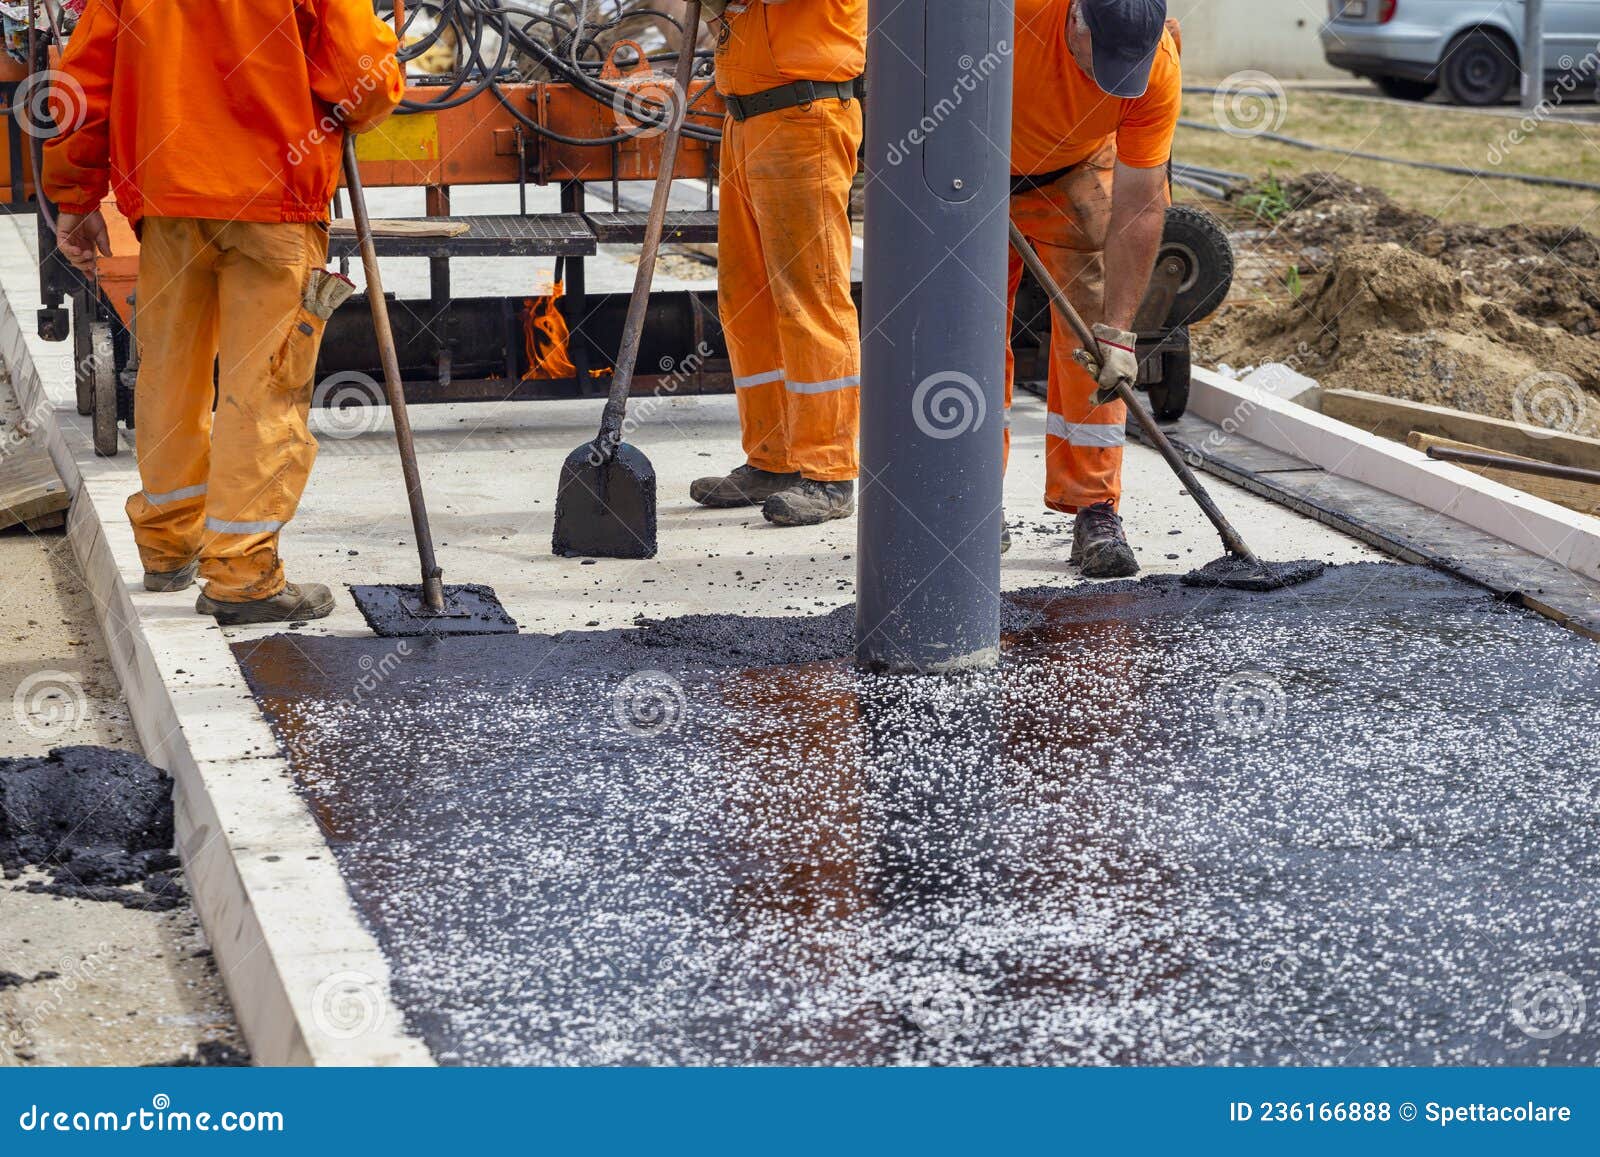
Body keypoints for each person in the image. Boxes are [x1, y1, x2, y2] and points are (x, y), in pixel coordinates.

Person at [42, 0, 403, 624]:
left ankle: (167, 546)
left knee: (169, 376)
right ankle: (242, 576)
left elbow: (84, 84)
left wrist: (74, 194)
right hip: (274, 202)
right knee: (262, 386)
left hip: (168, 199)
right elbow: (359, 82)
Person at [1006, 0, 1181, 576]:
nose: (1107, 77)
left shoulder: (1155, 69)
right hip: (968, 166)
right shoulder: (1012, 13)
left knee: (1092, 341)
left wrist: (1121, 333)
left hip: (1075, 172)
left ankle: (1095, 508)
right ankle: (965, 501)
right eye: (1098, 57)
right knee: (964, 335)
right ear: (1075, 19)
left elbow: (1140, 202)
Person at [691, 0, 866, 527]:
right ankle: (773, 459)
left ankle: (830, 471)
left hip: (803, 115)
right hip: (745, 118)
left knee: (810, 296)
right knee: (747, 297)